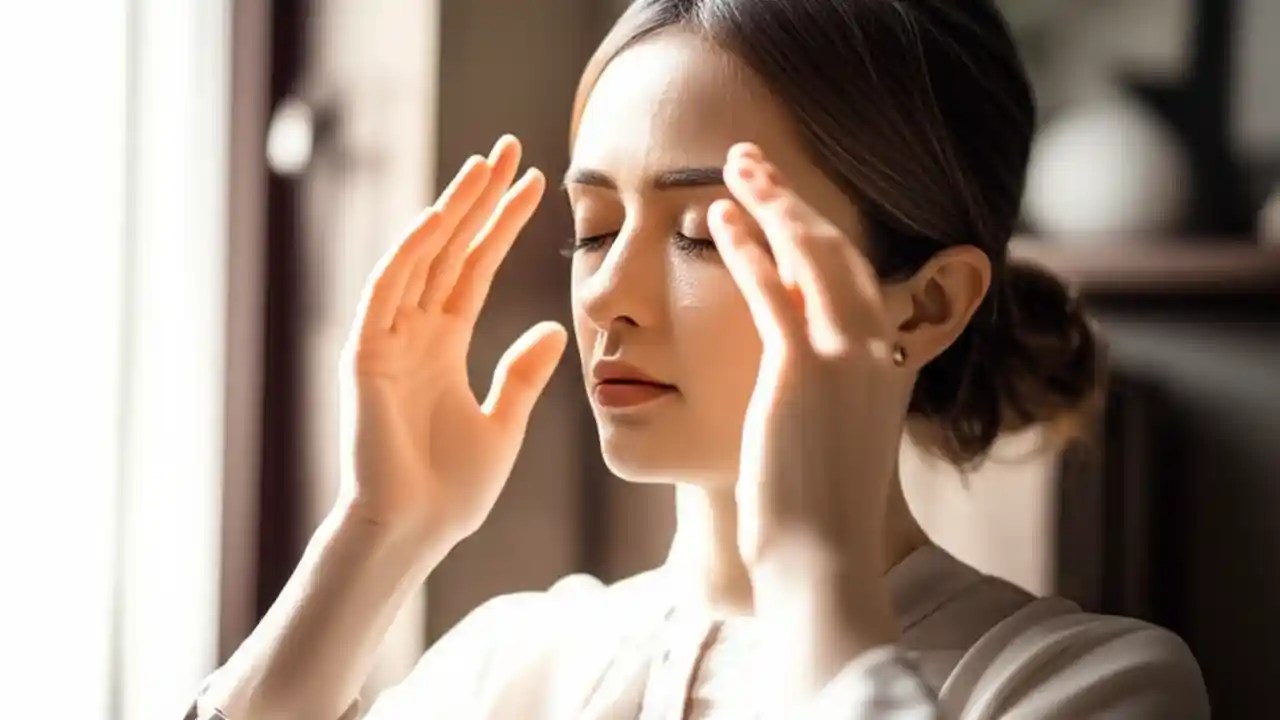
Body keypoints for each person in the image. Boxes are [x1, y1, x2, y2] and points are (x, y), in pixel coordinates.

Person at [188, 0, 1210, 717]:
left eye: (706, 235)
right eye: (591, 227)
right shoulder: (517, 663)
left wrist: (812, 567)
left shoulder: (1079, 689)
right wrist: (377, 535)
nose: (607, 295)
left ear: (927, 303)